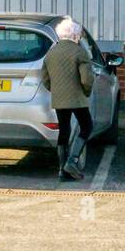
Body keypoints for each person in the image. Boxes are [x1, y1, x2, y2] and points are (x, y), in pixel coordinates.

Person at [41, 18, 95, 181]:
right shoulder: (80, 52)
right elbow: (87, 79)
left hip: (59, 97)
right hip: (77, 97)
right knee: (86, 126)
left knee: (64, 131)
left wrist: (55, 90)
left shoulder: (51, 52)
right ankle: (72, 161)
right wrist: (86, 91)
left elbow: (45, 77)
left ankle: (61, 169)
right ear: (75, 35)